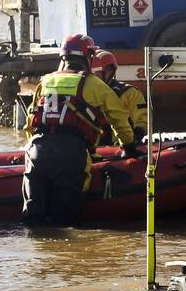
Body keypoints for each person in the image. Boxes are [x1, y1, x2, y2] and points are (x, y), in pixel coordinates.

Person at [22, 33, 137, 226]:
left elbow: (30, 122)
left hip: (36, 151)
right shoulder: (94, 84)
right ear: (88, 57)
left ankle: (36, 254)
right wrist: (129, 146)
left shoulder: (45, 81)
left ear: (63, 58)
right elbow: (119, 117)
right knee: (65, 220)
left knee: (33, 219)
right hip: (71, 152)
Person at [89, 50, 148, 147]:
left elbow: (143, 120)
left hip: (124, 148)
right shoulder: (87, 92)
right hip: (95, 149)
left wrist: (136, 137)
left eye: (97, 73)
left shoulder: (129, 93)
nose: (93, 78)